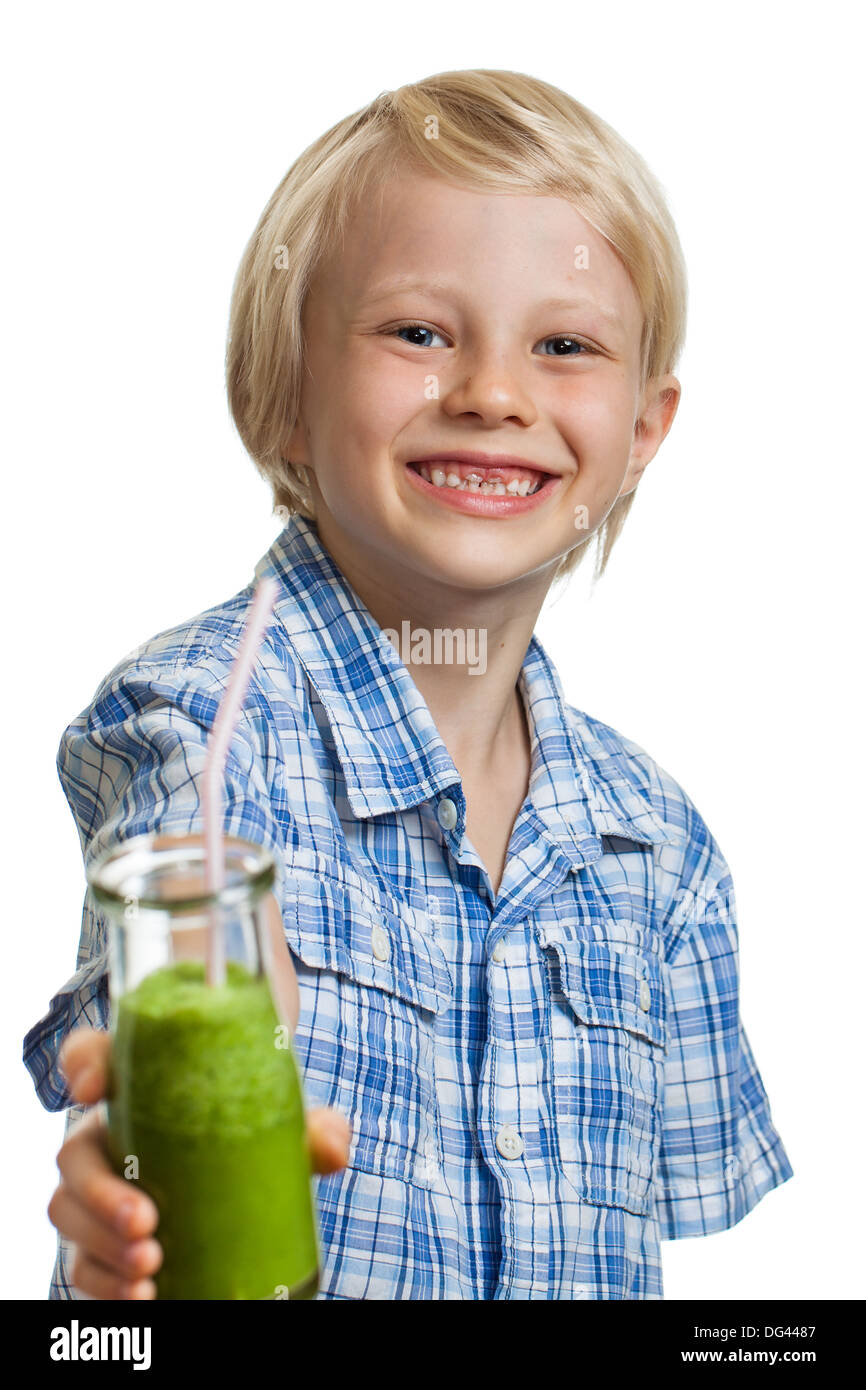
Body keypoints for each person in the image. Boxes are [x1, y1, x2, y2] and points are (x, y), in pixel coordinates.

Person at [24, 68, 793, 1300]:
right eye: (419, 334)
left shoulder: (657, 848)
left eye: (563, 345)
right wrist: (157, 1160)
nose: (491, 393)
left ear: (642, 430)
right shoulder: (202, 724)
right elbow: (176, 972)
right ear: (285, 395)